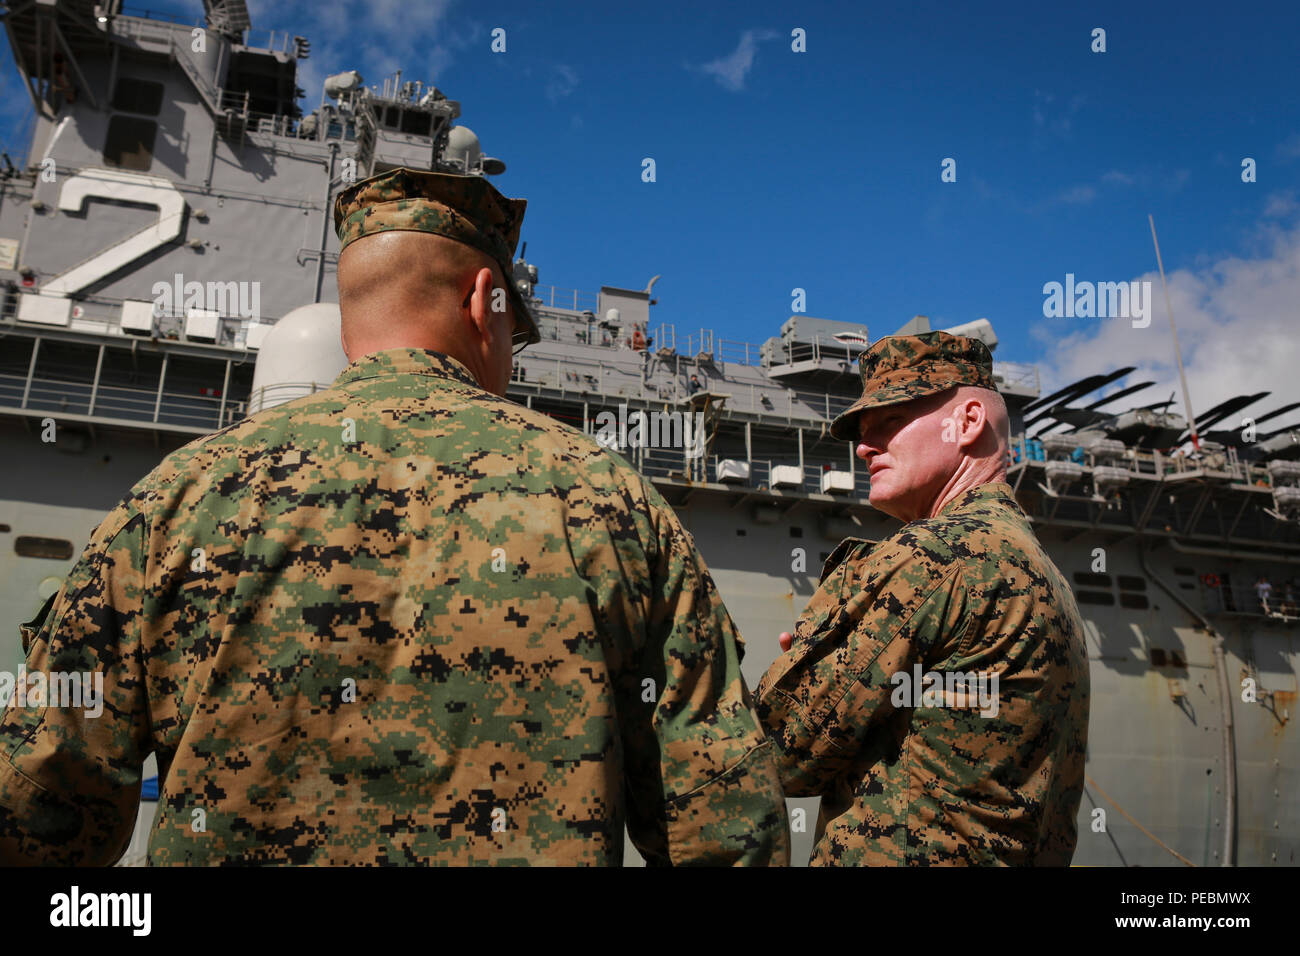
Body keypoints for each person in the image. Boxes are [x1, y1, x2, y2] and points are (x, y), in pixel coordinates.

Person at [0, 166, 788, 867]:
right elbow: (724, 827)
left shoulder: (176, 496)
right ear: (486, 302)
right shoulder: (611, 501)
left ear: (349, 315)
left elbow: (37, 814)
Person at [756, 331, 1089, 865]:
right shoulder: (1044, 573)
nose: (864, 446)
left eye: (889, 421)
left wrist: (806, 662)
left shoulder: (933, 556)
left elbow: (783, 753)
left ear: (970, 421)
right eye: (863, 433)